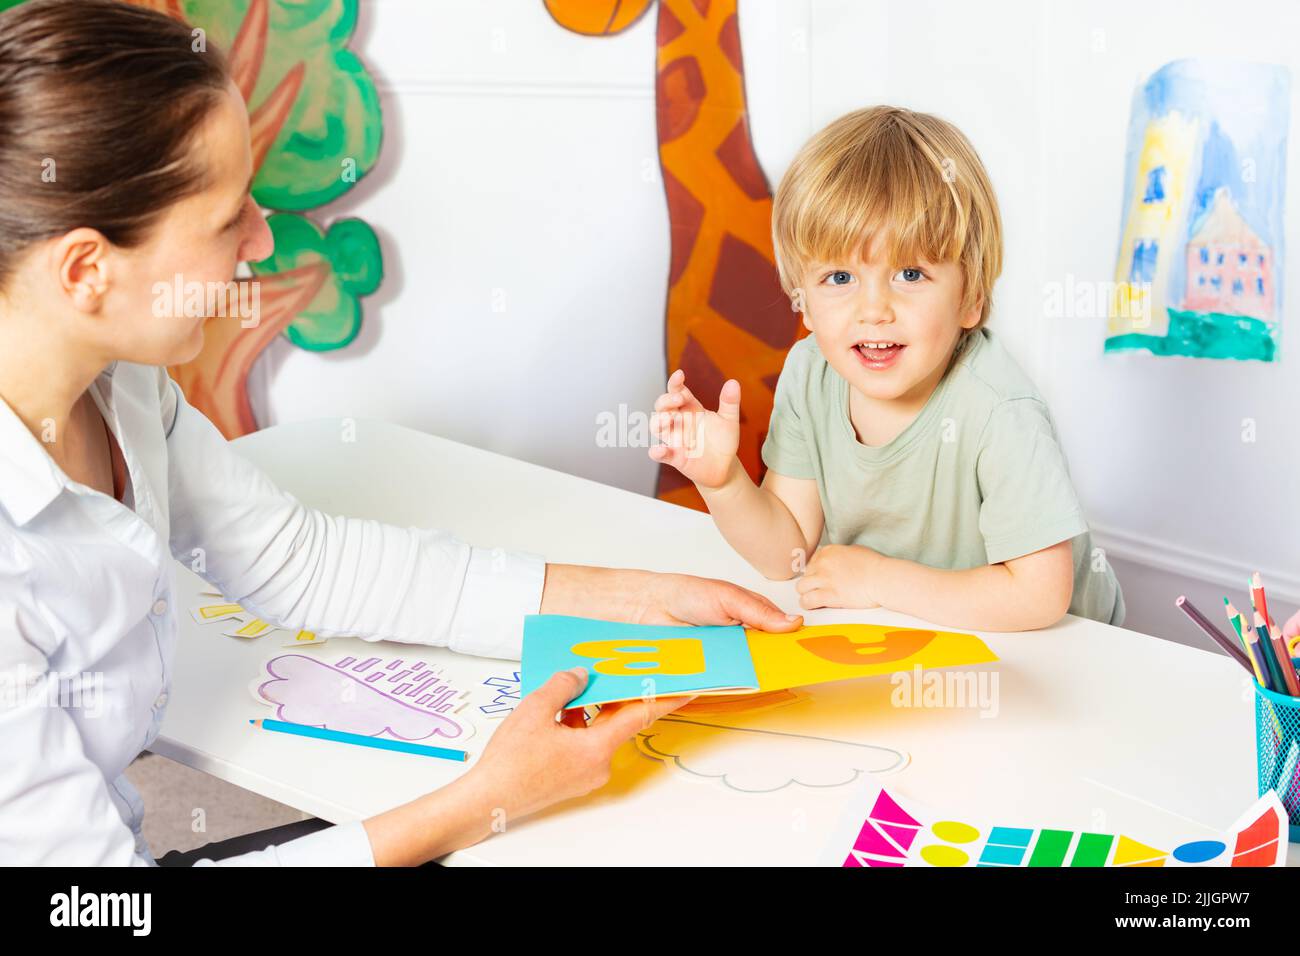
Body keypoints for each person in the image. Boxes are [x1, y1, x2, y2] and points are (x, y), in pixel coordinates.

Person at [0, 0, 801, 866]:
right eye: (226, 216)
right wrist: (489, 799)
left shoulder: (120, 382)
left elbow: (298, 562)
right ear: (85, 269)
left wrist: (637, 599)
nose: (262, 239)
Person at [650, 105, 1124, 632]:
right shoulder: (811, 373)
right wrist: (724, 484)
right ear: (802, 302)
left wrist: (877, 579)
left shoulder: (999, 410)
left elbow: (1039, 596)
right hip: (923, 633)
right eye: (839, 278)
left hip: (1068, 654)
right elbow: (785, 553)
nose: (873, 309)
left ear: (971, 298)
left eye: (910, 272)